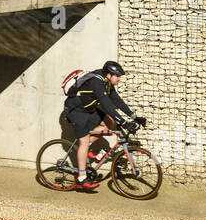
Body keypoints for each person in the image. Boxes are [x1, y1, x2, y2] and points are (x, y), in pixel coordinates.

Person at [62, 60, 147, 190]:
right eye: (117, 76)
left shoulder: (106, 82)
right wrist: (123, 123)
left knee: (108, 122)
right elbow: (107, 105)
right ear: (109, 74)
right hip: (76, 110)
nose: (119, 79)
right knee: (83, 142)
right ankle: (81, 179)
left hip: (88, 108)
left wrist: (134, 117)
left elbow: (117, 100)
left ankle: (87, 148)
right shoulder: (97, 82)